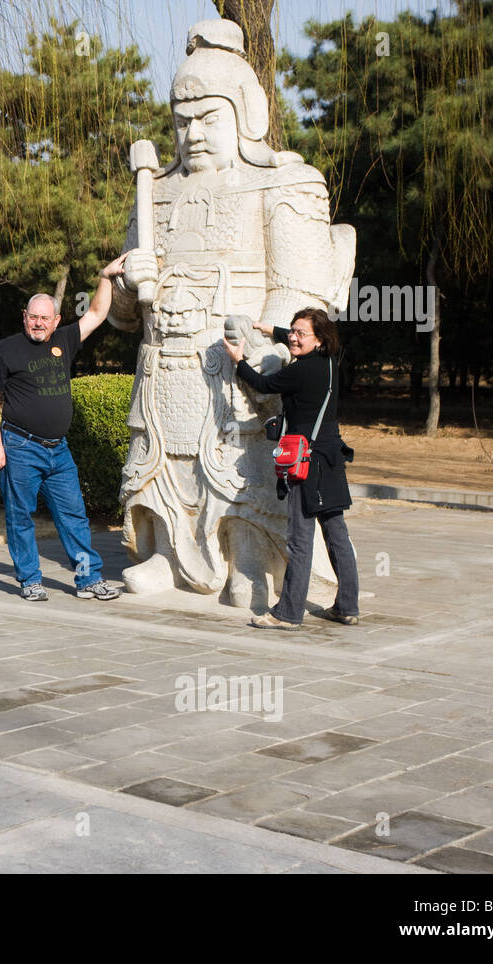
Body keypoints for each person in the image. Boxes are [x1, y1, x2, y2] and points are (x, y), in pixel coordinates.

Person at [107, 17, 355, 608]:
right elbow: (121, 314)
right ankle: (168, 554)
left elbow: (300, 294)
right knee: (167, 462)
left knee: (240, 461)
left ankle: (248, 558)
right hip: (165, 359)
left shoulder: (286, 185)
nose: (192, 132)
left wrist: (264, 366)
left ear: (245, 113)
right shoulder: (155, 193)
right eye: (181, 119)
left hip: (240, 354)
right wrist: (128, 284)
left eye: (207, 116)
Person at [0, 255, 127, 602]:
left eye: (45, 318)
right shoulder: (6, 350)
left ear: (56, 319)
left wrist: (105, 276)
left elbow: (96, 314)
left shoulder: (65, 340)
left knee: (74, 515)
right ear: (25, 318)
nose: (39, 323)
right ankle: (30, 580)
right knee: (20, 517)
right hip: (20, 446)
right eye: (33, 317)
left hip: (58, 450)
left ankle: (88, 579)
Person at [221, 308, 359, 630]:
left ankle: (288, 613)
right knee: (337, 533)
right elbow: (296, 336)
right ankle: (347, 606)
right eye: (292, 331)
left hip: (305, 463)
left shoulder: (299, 372)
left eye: (301, 334)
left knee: (300, 537)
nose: (293, 338)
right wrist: (271, 329)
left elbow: (262, 384)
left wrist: (238, 360)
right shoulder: (328, 363)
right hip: (331, 457)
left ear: (319, 339)